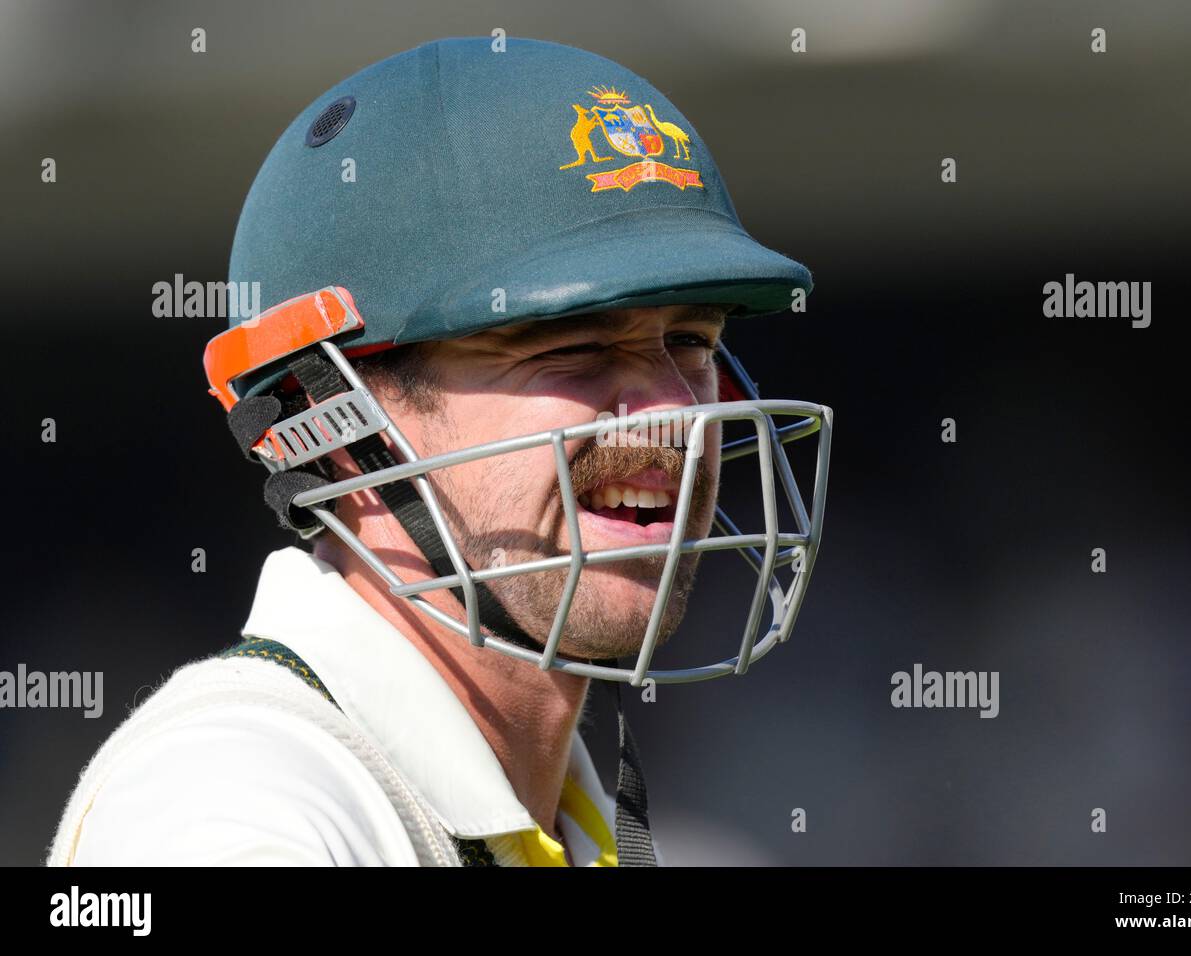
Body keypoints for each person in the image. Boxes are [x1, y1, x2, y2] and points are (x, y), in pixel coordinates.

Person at [46, 36, 832, 867]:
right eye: (571, 349)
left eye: (693, 342)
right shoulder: (232, 806)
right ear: (329, 415)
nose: (677, 410)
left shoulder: (587, 821)